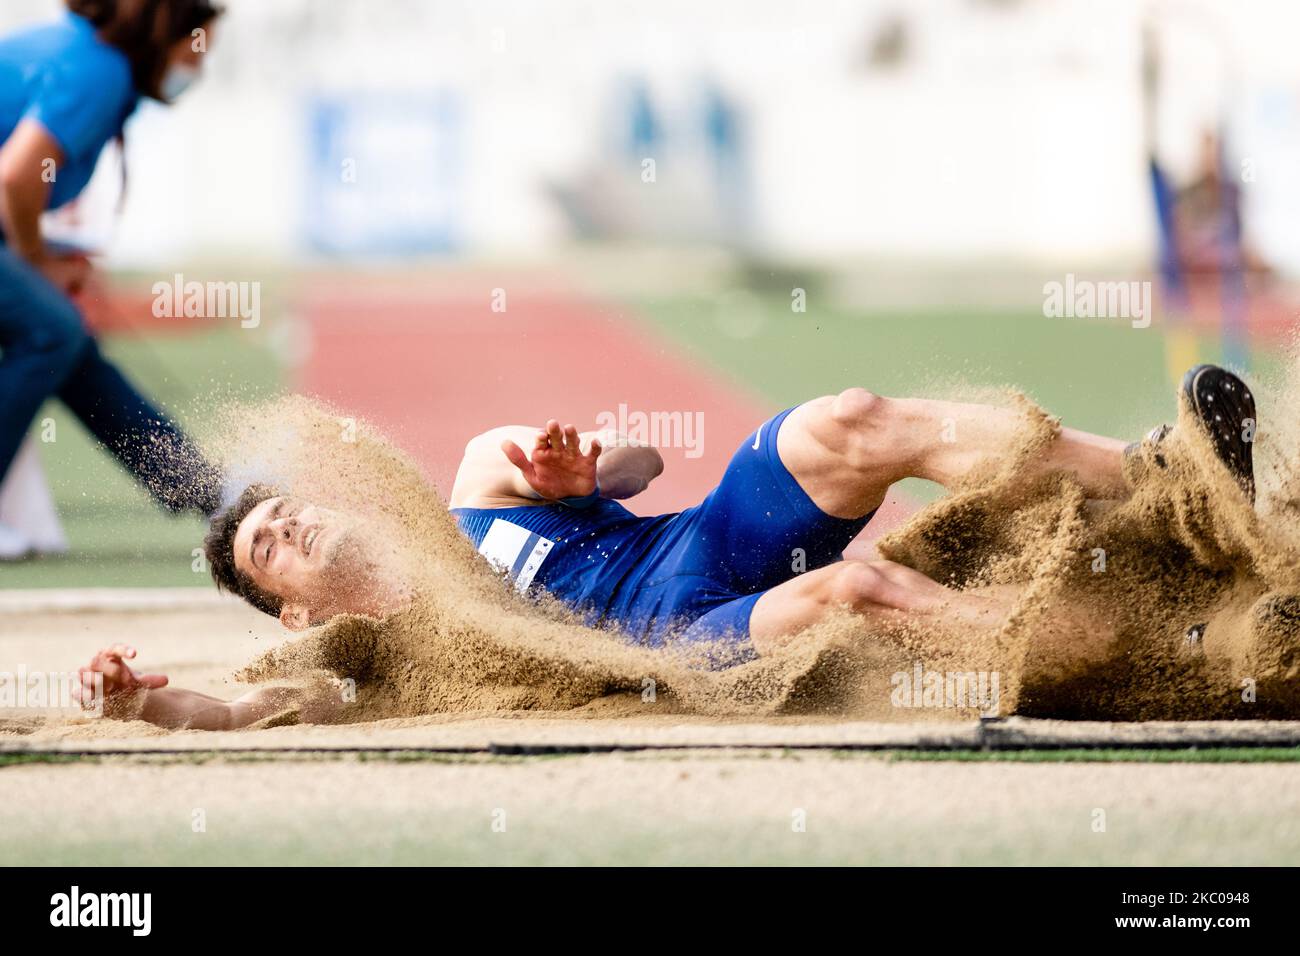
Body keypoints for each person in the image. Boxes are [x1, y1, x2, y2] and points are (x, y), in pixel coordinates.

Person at [75, 364, 1258, 729]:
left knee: (844, 419)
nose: (290, 520)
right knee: (856, 585)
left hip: (695, 539)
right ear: (288, 607)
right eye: (270, 546)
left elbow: (638, 470)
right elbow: (231, 718)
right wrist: (142, 700)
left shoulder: (477, 484)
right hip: (680, 639)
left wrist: (590, 472)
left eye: (283, 505)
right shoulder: (370, 650)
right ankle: (1160, 656)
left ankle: (1177, 483)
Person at [0, 0, 225, 559]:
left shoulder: (91, 58)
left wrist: (45, 256)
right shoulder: (100, 69)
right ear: (167, 33)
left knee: (65, 343)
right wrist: (36, 261)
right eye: (196, 49)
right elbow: (16, 176)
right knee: (52, 331)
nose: (197, 68)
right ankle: (203, 486)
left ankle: (202, 486)